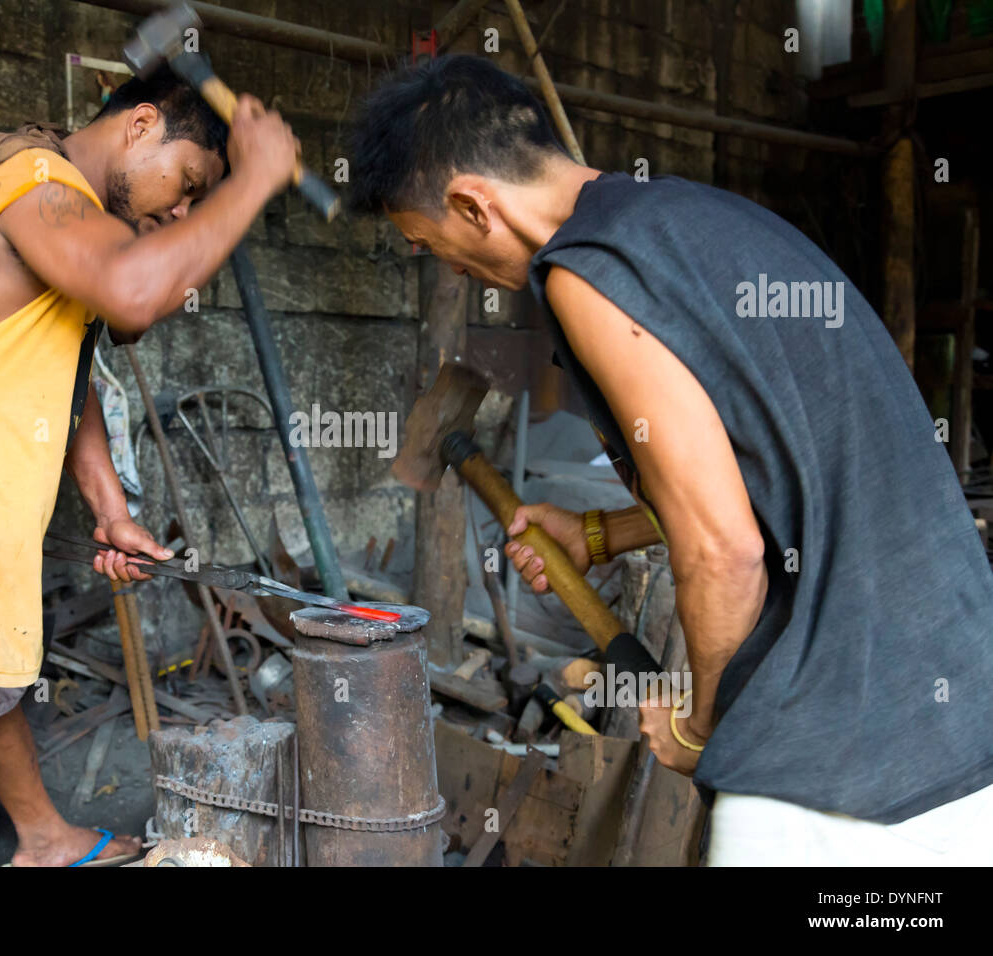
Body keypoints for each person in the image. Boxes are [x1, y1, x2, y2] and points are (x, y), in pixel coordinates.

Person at [350, 54, 993, 864]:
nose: (448, 267)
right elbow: (767, 474)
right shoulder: (686, 224)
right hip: (960, 710)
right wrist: (600, 533)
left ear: (473, 204)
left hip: (849, 761)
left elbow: (726, 551)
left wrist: (699, 725)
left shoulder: (589, 275)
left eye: (429, 243)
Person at [0, 66, 300, 866]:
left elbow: (66, 375)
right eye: (185, 184)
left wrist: (110, 509)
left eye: (193, 202)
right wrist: (252, 180)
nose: (181, 210)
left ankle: (44, 839)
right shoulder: (30, 185)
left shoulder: (66, 221)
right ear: (140, 123)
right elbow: (132, 292)